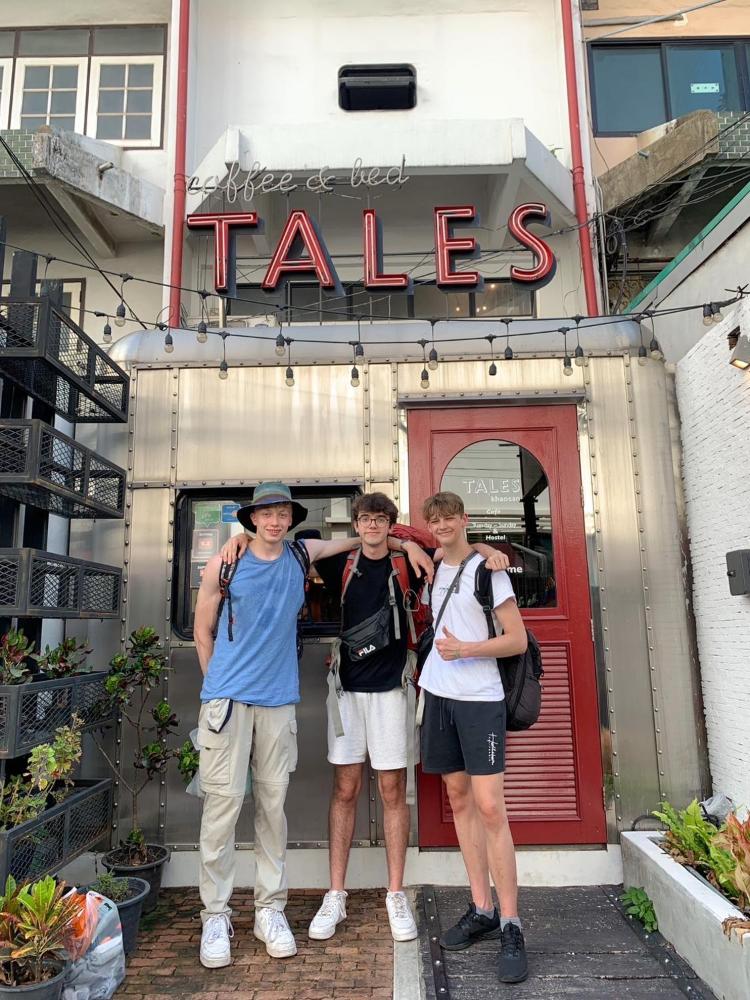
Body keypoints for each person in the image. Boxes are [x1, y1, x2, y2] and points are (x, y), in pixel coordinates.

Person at [224, 491, 509, 946]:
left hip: (394, 688)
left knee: (393, 790)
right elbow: (293, 545)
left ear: (390, 524)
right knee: (345, 788)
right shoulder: (342, 561)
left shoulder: (412, 560)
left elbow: (452, 543)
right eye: (366, 519)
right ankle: (335, 893)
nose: (372, 526)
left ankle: (395, 893)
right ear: (356, 525)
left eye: (381, 520)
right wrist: (237, 539)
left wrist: (479, 548)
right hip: (346, 691)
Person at [192, 482, 432, 969]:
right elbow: (201, 629)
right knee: (221, 810)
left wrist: (404, 543)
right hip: (229, 703)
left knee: (273, 809)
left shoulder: (301, 555)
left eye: (283, 514)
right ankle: (215, 915)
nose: (275, 521)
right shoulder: (225, 562)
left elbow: (366, 538)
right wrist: (216, 686)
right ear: (251, 519)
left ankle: (269, 910)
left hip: (279, 701)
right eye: (266, 514)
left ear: (291, 520)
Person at [419, 490, 529, 985]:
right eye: (434, 521)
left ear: (465, 519)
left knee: (489, 807)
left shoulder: (491, 571)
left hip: (480, 699)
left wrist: (465, 650)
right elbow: (392, 535)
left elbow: (517, 639)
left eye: (450, 519)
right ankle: (482, 908)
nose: (442, 526)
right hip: (439, 696)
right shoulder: (434, 563)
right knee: (459, 799)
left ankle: (511, 923)